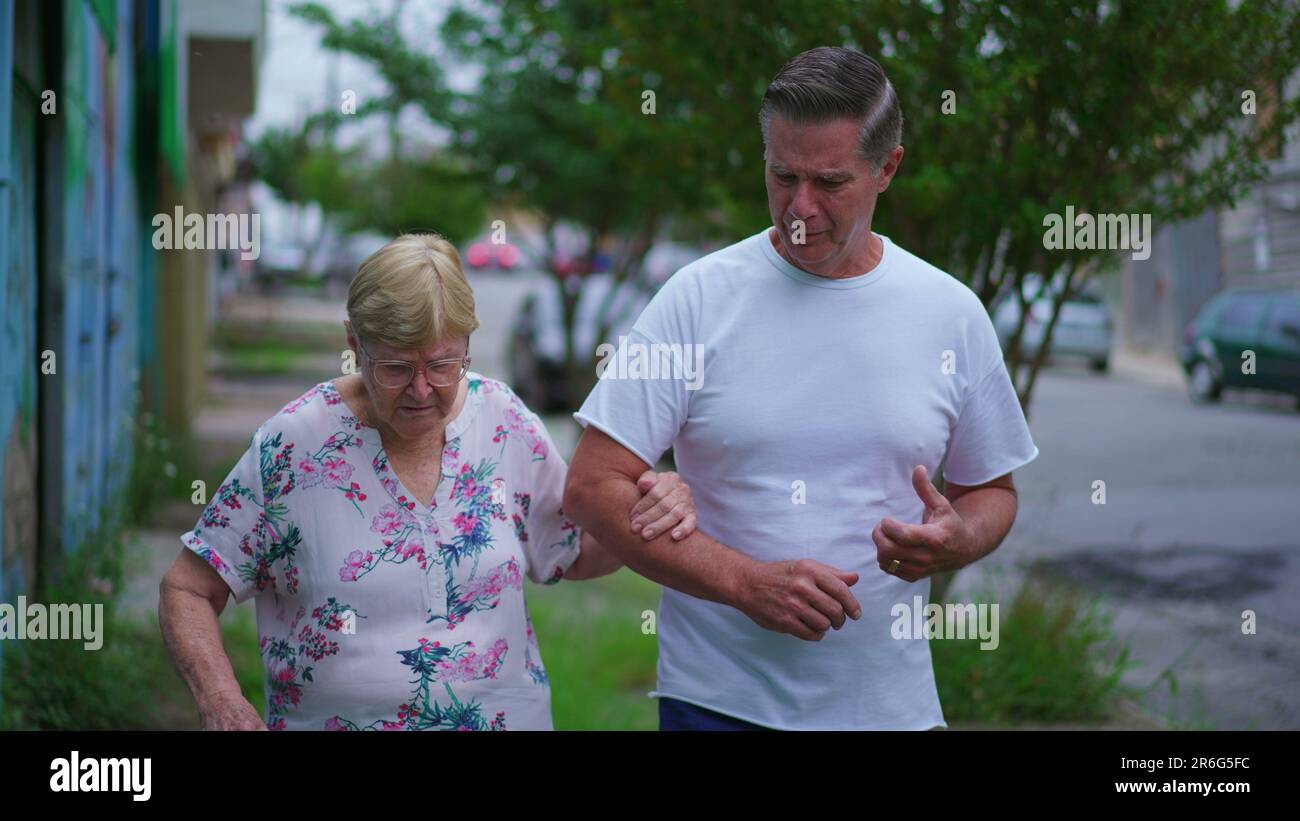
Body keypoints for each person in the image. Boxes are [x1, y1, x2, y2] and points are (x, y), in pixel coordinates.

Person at [563, 46, 1039, 731]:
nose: (800, 208)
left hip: (891, 710)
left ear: (888, 169)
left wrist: (960, 537)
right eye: (782, 175)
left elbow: (992, 491)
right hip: (717, 704)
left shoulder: (950, 311)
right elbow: (592, 486)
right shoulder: (695, 300)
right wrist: (743, 583)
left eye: (830, 182)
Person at [160, 233, 698, 730]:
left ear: (467, 342)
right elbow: (188, 588)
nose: (421, 390)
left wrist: (644, 511)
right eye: (395, 367)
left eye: (443, 365)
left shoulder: (504, 421)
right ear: (354, 341)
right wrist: (221, 699)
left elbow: (573, 551)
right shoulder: (295, 445)